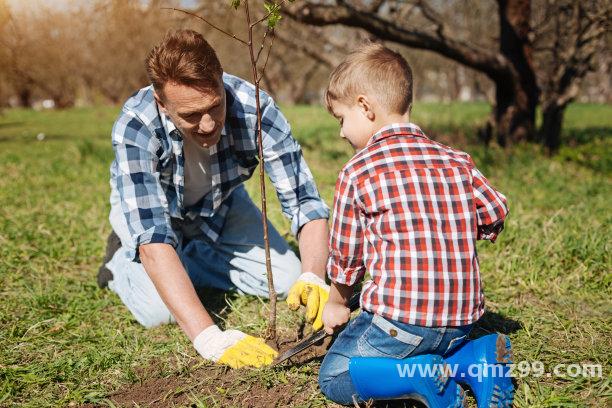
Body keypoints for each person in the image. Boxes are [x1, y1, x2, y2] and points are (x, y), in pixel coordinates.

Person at [97, 29, 331, 369]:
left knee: (288, 277)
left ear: (221, 82)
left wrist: (314, 274)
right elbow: (153, 238)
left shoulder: (255, 108)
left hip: (219, 203)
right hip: (155, 215)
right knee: (158, 313)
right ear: (161, 103)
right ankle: (119, 263)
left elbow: (304, 199)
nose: (208, 125)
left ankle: (185, 262)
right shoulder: (136, 124)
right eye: (190, 116)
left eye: (214, 106)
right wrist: (209, 337)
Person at [318, 44, 512, 406]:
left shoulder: (357, 172)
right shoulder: (457, 161)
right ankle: (472, 358)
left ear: (365, 107)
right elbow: (494, 212)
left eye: (341, 119)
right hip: (461, 324)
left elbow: (347, 258)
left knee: (333, 377)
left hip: (401, 325)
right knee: (441, 345)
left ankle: (418, 376)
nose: (342, 133)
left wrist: (335, 304)